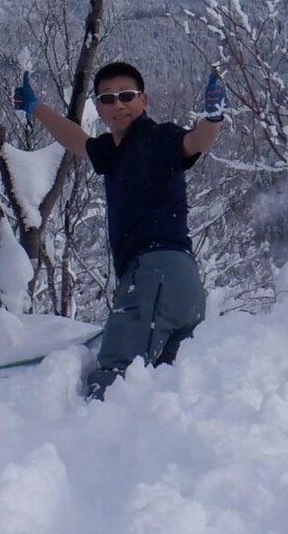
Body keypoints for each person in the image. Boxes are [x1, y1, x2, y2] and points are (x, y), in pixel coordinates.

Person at [14, 61, 227, 400]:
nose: (118, 105)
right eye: (107, 99)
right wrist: (35, 107)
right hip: (173, 281)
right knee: (162, 391)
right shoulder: (113, 152)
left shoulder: (159, 138)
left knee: (114, 382)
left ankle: (87, 448)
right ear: (97, 107)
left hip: (155, 274)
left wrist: (213, 118)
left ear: (145, 100)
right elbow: (77, 141)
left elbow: (196, 142)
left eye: (126, 96)